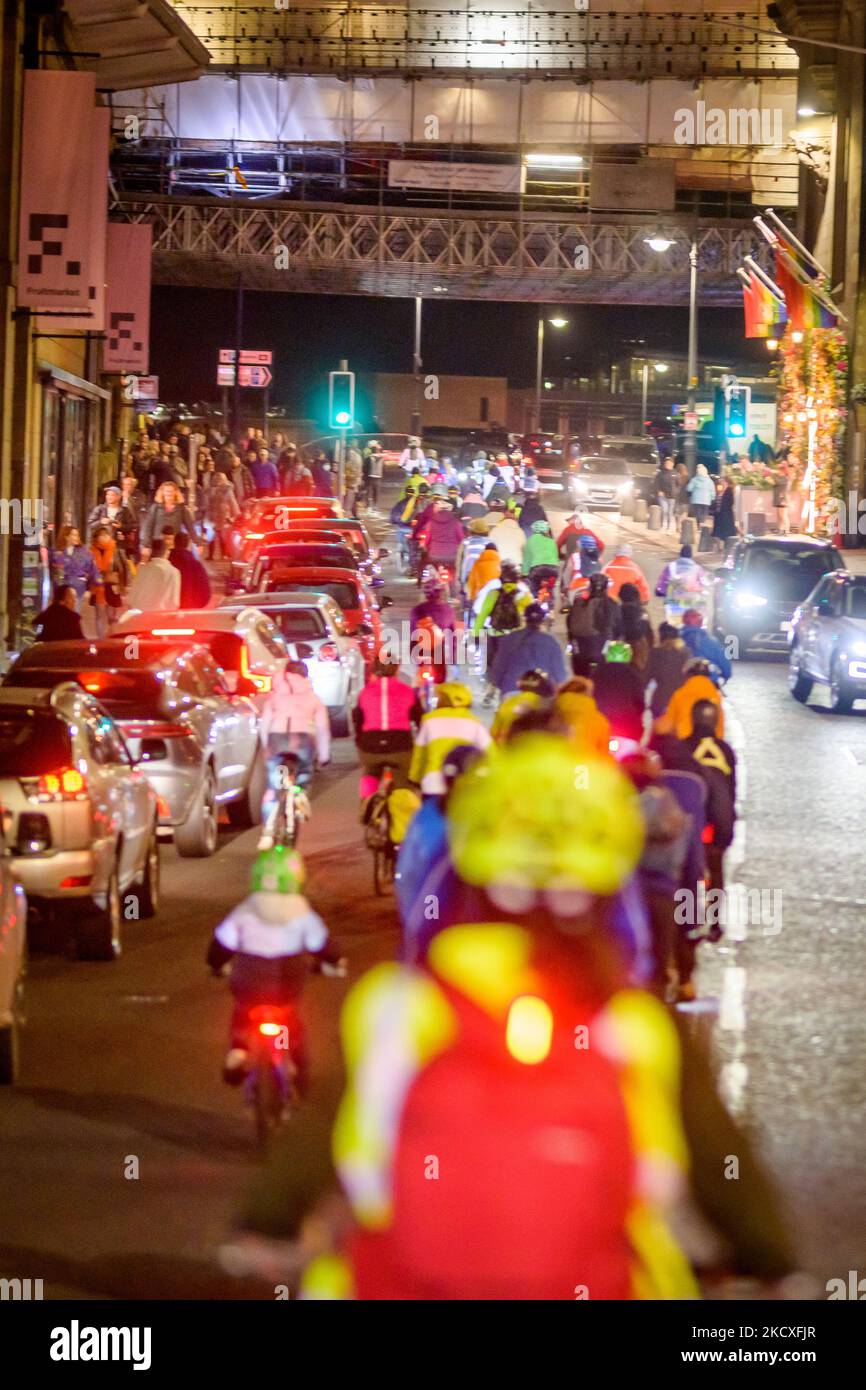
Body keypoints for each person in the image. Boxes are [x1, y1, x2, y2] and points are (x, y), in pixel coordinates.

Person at [291, 734, 701, 1301]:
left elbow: (321, 1139)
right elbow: (714, 1171)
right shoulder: (636, 1026)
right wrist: (768, 1260)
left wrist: (264, 1225)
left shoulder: (398, 1007)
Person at [207, 846, 344, 1088]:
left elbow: (221, 945)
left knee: (241, 1014)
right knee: (293, 1025)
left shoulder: (246, 908)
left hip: (247, 981)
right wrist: (334, 961)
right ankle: (296, 1070)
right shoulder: (300, 909)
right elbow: (321, 944)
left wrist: (216, 965)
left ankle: (238, 1051)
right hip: (286, 984)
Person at [679, 699, 737, 895]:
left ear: (692, 720)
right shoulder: (726, 750)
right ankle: (716, 921)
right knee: (716, 862)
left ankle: (685, 917)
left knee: (684, 866)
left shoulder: (684, 747)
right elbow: (732, 791)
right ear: (715, 722)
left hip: (692, 817)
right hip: (720, 818)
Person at [353, 659, 421, 801]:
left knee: (370, 774)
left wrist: (359, 741)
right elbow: (420, 719)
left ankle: (367, 804)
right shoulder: (407, 691)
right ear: (397, 669)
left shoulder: (365, 692)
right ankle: (401, 811)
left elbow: (358, 720)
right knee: (403, 784)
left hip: (370, 744)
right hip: (400, 744)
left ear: (374, 670)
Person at [408, 681, 491, 796]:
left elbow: (420, 754)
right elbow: (490, 753)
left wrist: (414, 779)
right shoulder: (475, 722)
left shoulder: (429, 720)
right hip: (463, 784)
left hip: (433, 783)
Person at [490, 603, 566, 696]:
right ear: (542, 620)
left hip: (511, 690)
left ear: (525, 618)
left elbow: (498, 668)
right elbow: (560, 675)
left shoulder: (509, 638)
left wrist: (500, 686)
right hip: (539, 694)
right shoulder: (551, 642)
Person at [656, 658, 725, 741]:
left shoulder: (680, 694)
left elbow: (667, 725)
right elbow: (720, 729)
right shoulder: (716, 696)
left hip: (686, 747)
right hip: (712, 747)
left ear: (688, 675)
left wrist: (653, 726)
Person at [591, 641, 646, 743]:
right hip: (627, 724)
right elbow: (640, 703)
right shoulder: (633, 674)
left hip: (601, 723)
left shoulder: (597, 673)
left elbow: (590, 697)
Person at [566, 571, 622, 668]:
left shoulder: (579, 603)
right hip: (603, 652)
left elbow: (569, 624)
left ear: (590, 588)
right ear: (606, 588)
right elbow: (620, 628)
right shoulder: (612, 604)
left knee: (580, 675)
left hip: (580, 651)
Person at [140, 482, 198, 560]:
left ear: (175, 493)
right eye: (166, 491)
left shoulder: (181, 509)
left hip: (174, 545)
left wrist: (197, 542)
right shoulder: (155, 508)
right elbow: (148, 526)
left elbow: (190, 526)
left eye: (171, 491)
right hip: (158, 545)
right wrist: (145, 545)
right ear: (162, 493)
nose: (169, 493)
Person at [654, 544, 711, 624]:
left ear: (680, 554)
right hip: (693, 604)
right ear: (691, 556)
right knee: (700, 621)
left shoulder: (671, 567)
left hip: (674, 604)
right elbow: (706, 583)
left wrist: (660, 591)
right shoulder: (697, 568)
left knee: (672, 624)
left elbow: (662, 582)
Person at [644, 622, 689, 719]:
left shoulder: (655, 653)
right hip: (682, 701)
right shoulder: (686, 652)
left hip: (661, 701)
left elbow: (645, 678)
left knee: (659, 730)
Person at [89, 524, 127, 636]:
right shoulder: (91, 551)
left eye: (106, 535)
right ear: (96, 537)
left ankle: (112, 636)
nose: (105, 537)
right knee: (99, 615)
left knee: (112, 616)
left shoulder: (116, 549)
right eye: (102, 535)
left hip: (112, 585)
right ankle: (101, 639)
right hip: (97, 586)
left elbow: (123, 567)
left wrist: (123, 585)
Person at [124, 537, 181, 612]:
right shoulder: (174, 572)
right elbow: (174, 603)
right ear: (167, 553)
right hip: (161, 618)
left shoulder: (142, 570)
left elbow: (131, 598)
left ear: (151, 552)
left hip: (141, 616)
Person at [415, 499, 464, 584]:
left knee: (426, 565)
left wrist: (423, 546)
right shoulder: (456, 523)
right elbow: (461, 538)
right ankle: (454, 588)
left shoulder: (431, 522)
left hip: (434, 555)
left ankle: (421, 582)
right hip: (452, 556)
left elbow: (426, 539)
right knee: (454, 572)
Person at [49, 525, 98, 607]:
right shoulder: (55, 551)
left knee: (73, 613)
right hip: (60, 589)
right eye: (74, 535)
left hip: (78, 588)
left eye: (77, 535)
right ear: (66, 536)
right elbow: (51, 568)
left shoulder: (84, 551)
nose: (77, 537)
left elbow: (93, 568)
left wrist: (95, 584)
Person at [680, 609, 732, 684]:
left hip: (682, 684)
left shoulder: (676, 641)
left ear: (684, 622)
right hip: (708, 682)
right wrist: (726, 676)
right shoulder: (712, 641)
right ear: (701, 623)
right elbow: (724, 662)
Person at [170, 530, 212, 609]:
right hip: (189, 609)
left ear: (174, 544)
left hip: (167, 610)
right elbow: (205, 592)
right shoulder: (196, 565)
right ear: (188, 545)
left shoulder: (168, 562)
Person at [618, 582, 654, 670]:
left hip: (620, 645)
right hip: (638, 646)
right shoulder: (642, 611)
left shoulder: (617, 610)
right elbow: (649, 633)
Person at [205, 471, 241, 560]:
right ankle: (211, 555)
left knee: (223, 537)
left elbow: (232, 503)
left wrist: (235, 515)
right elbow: (207, 503)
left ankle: (225, 554)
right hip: (213, 515)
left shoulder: (227, 490)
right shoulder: (211, 490)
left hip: (223, 515)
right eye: (216, 479)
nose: (218, 481)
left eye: (220, 479)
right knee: (211, 536)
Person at [521, 519, 559, 597]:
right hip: (553, 570)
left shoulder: (530, 541)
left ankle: (535, 601)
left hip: (537, 570)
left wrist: (524, 573)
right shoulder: (552, 542)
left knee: (534, 591)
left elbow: (527, 560)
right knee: (551, 590)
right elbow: (556, 558)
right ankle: (551, 604)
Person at [712, 475, 738, 552]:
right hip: (718, 515)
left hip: (726, 515)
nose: (721, 482)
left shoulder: (729, 490)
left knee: (726, 533)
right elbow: (716, 500)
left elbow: (731, 502)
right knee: (717, 533)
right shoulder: (720, 490)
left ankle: (726, 548)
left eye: (722, 481)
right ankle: (719, 547)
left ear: (726, 482)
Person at [655, 456, 677, 531]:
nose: (667, 464)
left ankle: (671, 527)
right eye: (666, 463)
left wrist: (675, 492)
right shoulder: (661, 473)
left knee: (670, 512)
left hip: (672, 496)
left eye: (669, 463)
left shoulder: (675, 473)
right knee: (664, 511)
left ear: (672, 464)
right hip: (663, 496)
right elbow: (657, 483)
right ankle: (664, 526)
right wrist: (659, 491)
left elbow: (679, 484)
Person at [362, 441, 385, 507]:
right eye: (377, 448)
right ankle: (372, 505)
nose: (379, 449)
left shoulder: (371, 457)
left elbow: (365, 467)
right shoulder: (373, 457)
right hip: (374, 476)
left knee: (371, 492)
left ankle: (370, 505)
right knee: (374, 492)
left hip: (373, 476)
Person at [773, 462, 790, 536]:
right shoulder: (780, 477)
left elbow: (778, 483)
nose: (778, 471)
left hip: (782, 499)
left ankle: (786, 530)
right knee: (779, 516)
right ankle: (781, 530)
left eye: (780, 469)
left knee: (783, 515)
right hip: (778, 498)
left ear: (783, 470)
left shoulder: (785, 478)